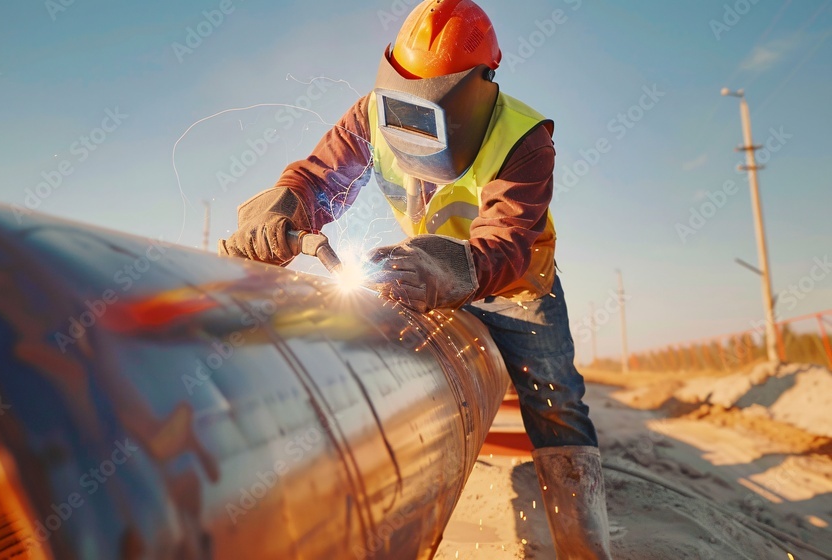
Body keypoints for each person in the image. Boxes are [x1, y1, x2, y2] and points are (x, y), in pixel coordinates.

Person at [220, 0, 612, 557]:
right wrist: (286, 205)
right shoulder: (369, 115)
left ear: (479, 87)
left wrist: (459, 268)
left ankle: (584, 547)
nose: (404, 123)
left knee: (557, 402)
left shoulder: (525, 138)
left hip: (515, 289)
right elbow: (319, 179)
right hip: (425, 275)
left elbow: (504, 240)